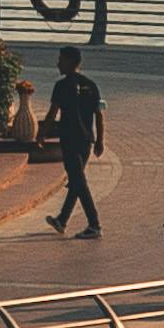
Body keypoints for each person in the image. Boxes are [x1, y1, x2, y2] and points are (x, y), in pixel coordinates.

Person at [39, 47, 107, 235]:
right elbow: (99, 115)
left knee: (79, 181)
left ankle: (94, 224)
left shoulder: (61, 86)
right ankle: (62, 219)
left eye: (61, 60)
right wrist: (100, 140)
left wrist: (42, 134)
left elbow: (53, 113)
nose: (58, 63)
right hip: (86, 140)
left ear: (70, 62)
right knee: (77, 181)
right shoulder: (91, 85)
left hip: (69, 139)